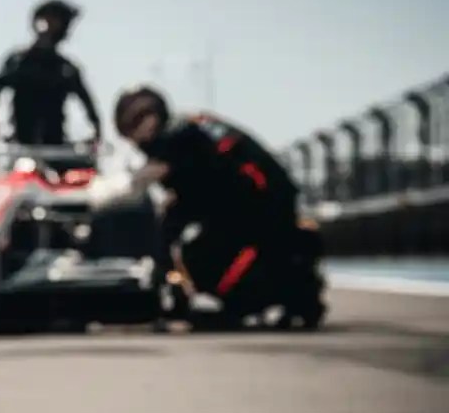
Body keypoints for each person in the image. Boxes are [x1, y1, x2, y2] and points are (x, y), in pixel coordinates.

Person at [112, 84, 324, 321]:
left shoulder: (177, 137)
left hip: (256, 206)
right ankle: (282, 289)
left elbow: (143, 184)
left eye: (138, 122)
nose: (139, 133)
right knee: (188, 241)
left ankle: (283, 290)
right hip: (249, 201)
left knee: (199, 258)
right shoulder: (191, 128)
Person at [0, 0, 102, 146]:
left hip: (55, 149)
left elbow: (90, 111)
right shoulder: (17, 61)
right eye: (59, 20)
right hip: (19, 148)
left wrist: (95, 134)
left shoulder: (66, 69)